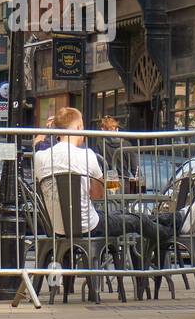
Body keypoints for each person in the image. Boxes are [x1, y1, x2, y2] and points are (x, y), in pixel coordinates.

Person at [33, 107, 165, 292]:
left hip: (56, 226)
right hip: (89, 226)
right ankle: (168, 234)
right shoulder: (87, 155)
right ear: (79, 127)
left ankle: (170, 222)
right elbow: (98, 194)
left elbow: (38, 144)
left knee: (124, 215)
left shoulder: (39, 157)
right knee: (137, 219)